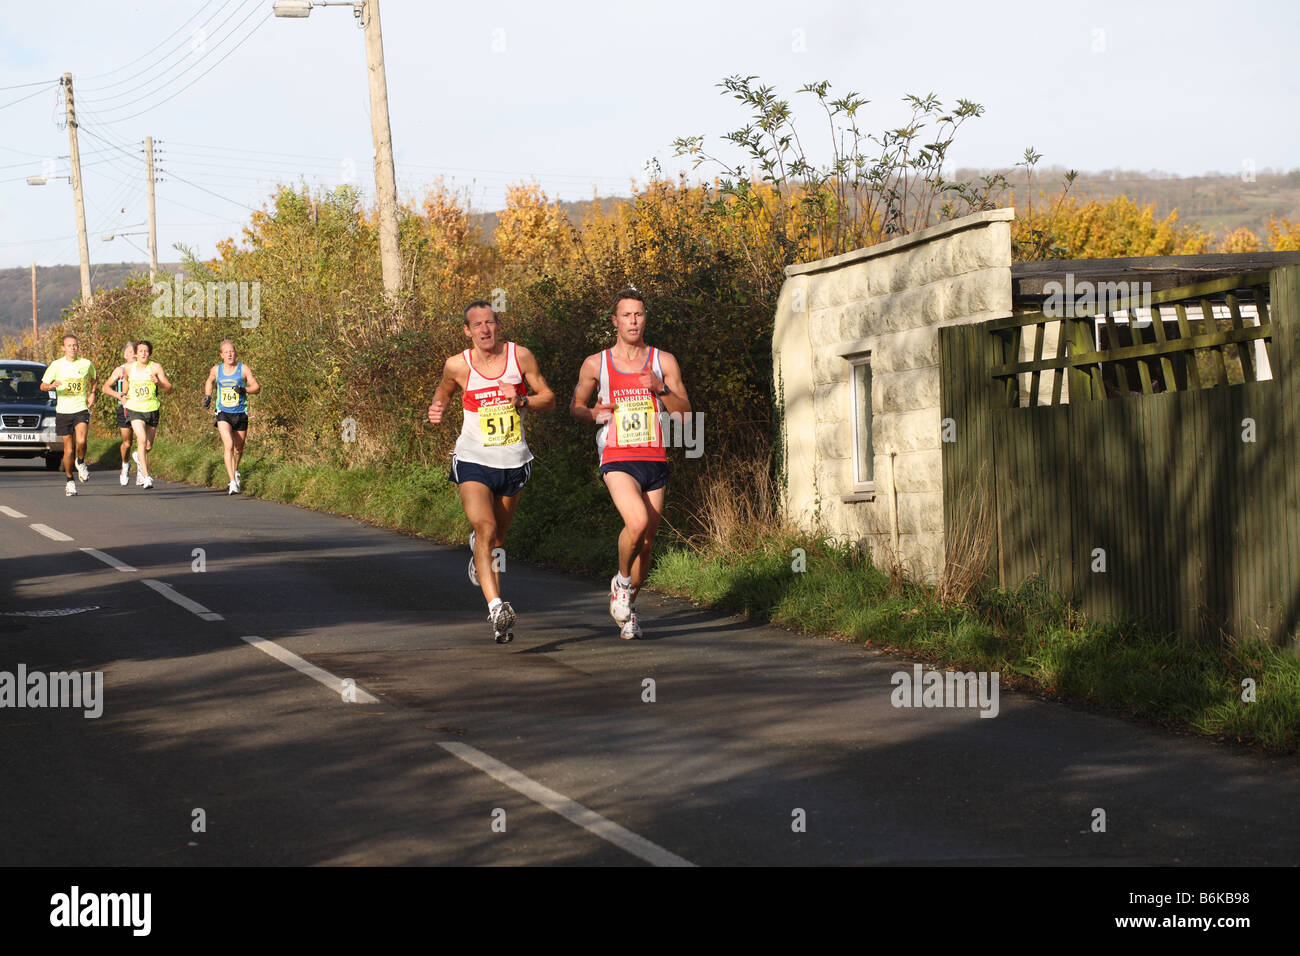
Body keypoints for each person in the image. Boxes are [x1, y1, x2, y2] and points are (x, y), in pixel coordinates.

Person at [427, 300, 555, 644]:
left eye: (490, 322)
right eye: (477, 324)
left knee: (497, 539)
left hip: (514, 461)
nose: (485, 329)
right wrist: (438, 407)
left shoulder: (520, 357)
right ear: (467, 331)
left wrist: (522, 400)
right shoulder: (457, 364)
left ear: (498, 325)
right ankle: (497, 609)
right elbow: (444, 391)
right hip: (473, 459)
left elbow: (549, 398)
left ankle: (480, 558)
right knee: (485, 527)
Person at [570, 288, 690, 639]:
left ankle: (628, 610)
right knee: (636, 522)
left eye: (638, 314)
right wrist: (592, 412)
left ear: (645, 319)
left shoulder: (663, 361)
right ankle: (621, 583)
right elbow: (576, 406)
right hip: (617, 456)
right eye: (626, 315)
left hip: (654, 457)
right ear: (615, 321)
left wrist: (660, 389)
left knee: (647, 542)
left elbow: (685, 416)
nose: (633, 321)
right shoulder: (596, 363)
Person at [40, 334, 97, 497]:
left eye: (75, 345)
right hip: (63, 411)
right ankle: (69, 480)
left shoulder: (86, 364)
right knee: (69, 450)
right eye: (70, 345)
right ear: (63, 348)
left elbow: (94, 378)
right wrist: (51, 386)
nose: (73, 347)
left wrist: (92, 393)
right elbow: (42, 385)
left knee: (82, 441)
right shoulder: (56, 365)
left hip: (80, 409)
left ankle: (81, 462)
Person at [203, 339, 261, 494]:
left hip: (240, 412)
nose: (229, 354)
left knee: (238, 449)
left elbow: (256, 387)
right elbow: (209, 381)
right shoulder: (216, 370)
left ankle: (235, 471)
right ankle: (232, 482)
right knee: (228, 445)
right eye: (226, 352)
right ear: (221, 355)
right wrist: (208, 396)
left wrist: (244, 389)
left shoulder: (243, 369)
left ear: (235, 353)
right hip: (223, 412)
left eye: (232, 351)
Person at [118, 341, 173, 490]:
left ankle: (138, 456)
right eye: (140, 351)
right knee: (141, 440)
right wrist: (123, 395)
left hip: (152, 409)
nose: (143, 353)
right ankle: (146, 476)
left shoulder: (155, 367)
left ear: (150, 353)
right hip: (135, 409)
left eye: (146, 351)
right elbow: (126, 382)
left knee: (148, 445)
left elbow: (169, 388)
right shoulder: (129, 368)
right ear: (136, 354)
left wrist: (158, 383)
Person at [101, 342, 137, 486]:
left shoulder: (145, 368)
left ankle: (142, 472)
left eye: (135, 352)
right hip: (125, 409)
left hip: (141, 409)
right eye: (130, 352)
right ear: (125, 355)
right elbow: (105, 387)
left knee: (143, 441)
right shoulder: (120, 370)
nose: (134, 355)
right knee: (127, 443)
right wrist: (118, 395)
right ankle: (125, 464)